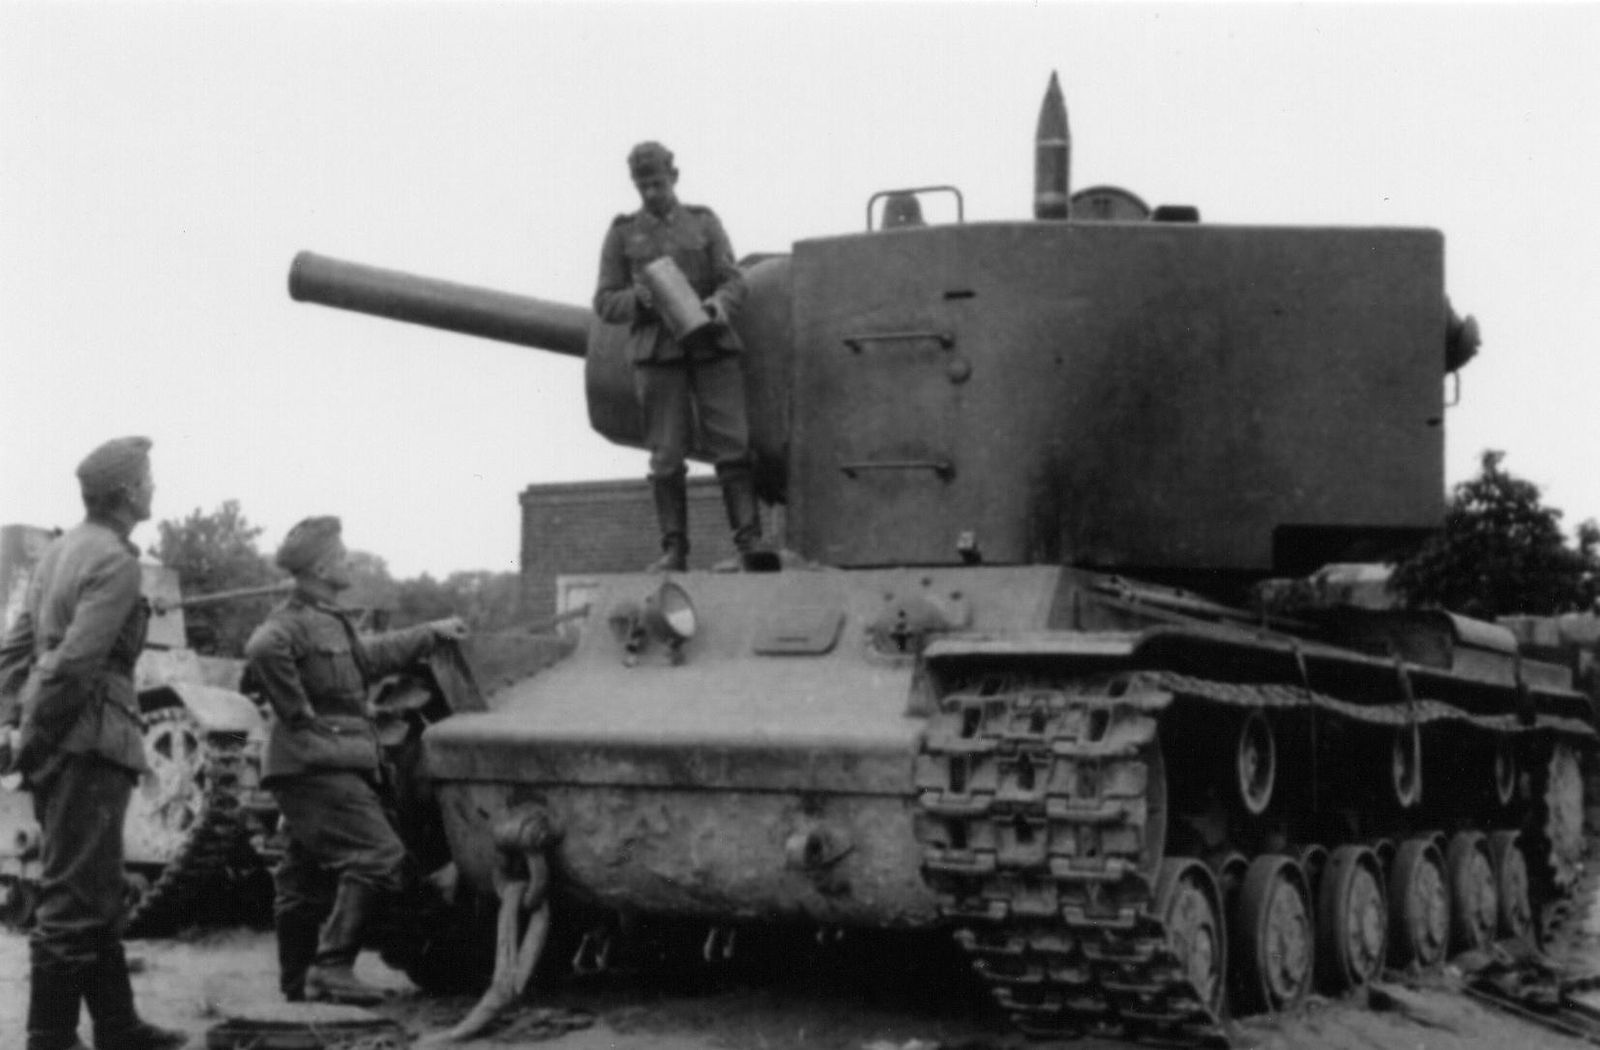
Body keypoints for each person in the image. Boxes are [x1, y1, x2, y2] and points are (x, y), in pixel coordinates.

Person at [0, 437, 184, 1050]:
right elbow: (76, 663)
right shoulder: (115, 561)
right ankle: (49, 1036)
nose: (155, 487)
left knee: (93, 884)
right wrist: (37, 736)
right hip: (90, 738)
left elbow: (15, 654)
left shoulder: (55, 556)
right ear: (129, 493)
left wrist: (19, 727)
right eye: (149, 479)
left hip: (65, 737)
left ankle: (117, 1025)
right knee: (74, 895)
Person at [243, 516, 467, 1005]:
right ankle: (332, 967)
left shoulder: (330, 619)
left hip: (316, 765)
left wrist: (430, 632)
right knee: (378, 856)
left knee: (302, 876)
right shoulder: (292, 622)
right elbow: (260, 648)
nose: (349, 563)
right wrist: (297, 711)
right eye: (343, 557)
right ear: (323, 567)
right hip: (314, 764)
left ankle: (298, 981)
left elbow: (373, 656)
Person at [593, 140, 775, 573]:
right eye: (643, 186)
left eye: (657, 183)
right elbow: (604, 300)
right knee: (666, 455)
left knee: (732, 445)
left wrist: (718, 306)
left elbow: (734, 280)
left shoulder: (704, 223)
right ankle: (675, 550)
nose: (652, 193)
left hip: (711, 344)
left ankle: (748, 543)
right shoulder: (623, 234)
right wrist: (637, 300)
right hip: (658, 352)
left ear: (673, 177)